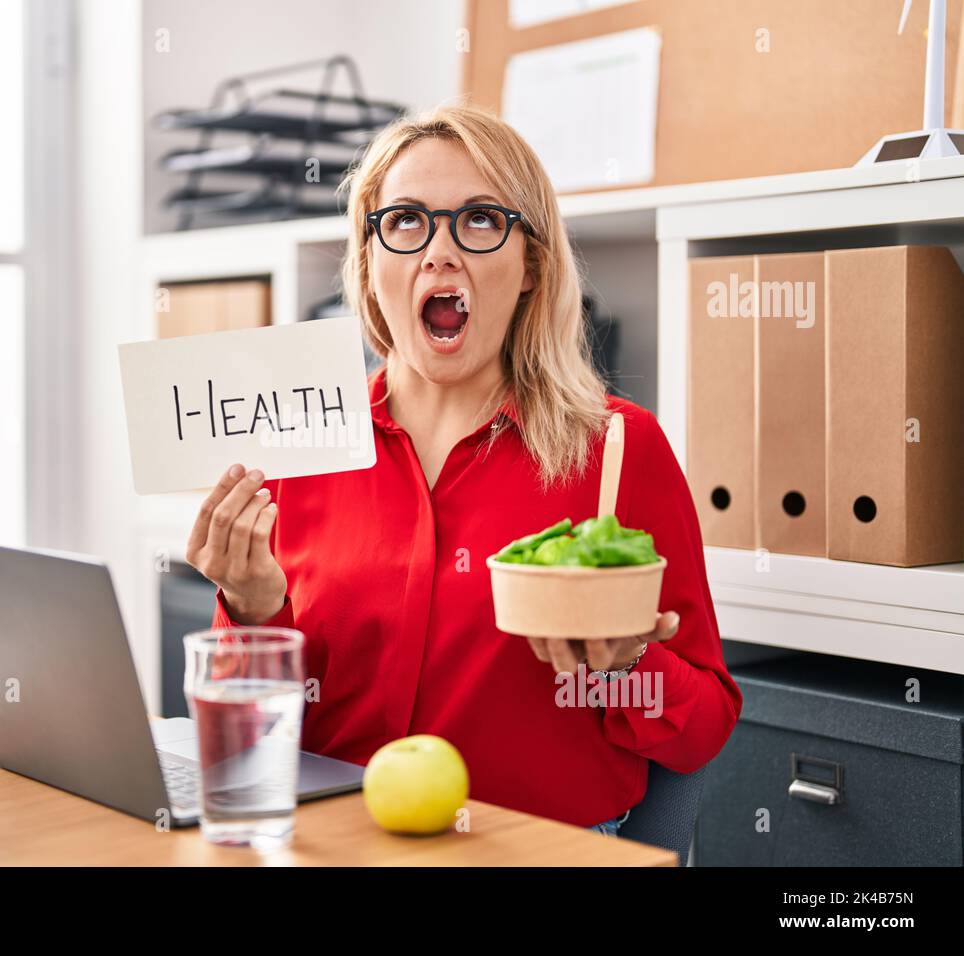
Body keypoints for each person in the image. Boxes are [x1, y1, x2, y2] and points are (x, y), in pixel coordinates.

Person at [185, 104, 742, 833]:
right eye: (407, 221)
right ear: (369, 261)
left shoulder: (617, 450)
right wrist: (253, 607)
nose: (439, 253)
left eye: (479, 220)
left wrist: (624, 660)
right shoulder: (300, 442)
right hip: (334, 839)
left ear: (531, 266)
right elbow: (253, 740)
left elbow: (703, 729)